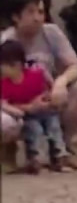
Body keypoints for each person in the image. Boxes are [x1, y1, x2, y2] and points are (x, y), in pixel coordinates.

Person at [0, 0, 77, 164]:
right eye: (31, 12)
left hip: (46, 98)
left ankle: (63, 148)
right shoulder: (5, 41)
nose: (37, 17)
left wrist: (60, 82)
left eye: (41, 12)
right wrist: (25, 107)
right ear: (16, 17)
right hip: (15, 105)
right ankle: (7, 149)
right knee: (5, 124)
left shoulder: (51, 32)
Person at [0, 39, 70, 173]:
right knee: (34, 131)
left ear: (15, 65)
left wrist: (48, 97)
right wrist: (27, 108)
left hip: (46, 110)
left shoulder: (35, 74)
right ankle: (37, 160)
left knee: (54, 128)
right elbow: (5, 104)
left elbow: (50, 86)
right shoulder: (5, 84)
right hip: (29, 115)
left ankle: (60, 157)